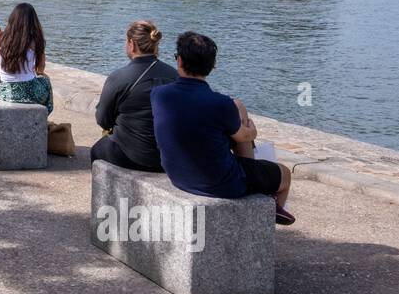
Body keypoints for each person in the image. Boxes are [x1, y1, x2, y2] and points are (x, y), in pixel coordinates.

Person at [151, 31, 295, 224]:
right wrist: (253, 130)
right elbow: (244, 137)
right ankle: (262, 223)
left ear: (179, 61)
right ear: (213, 65)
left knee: (236, 110)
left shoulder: (159, 95)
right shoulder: (220, 104)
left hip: (178, 175)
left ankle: (255, 183)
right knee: (284, 174)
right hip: (220, 183)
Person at [92, 20, 178, 172]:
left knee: (96, 151)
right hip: (166, 157)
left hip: (131, 155)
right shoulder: (173, 75)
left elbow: (103, 120)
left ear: (132, 44)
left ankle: (116, 197)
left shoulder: (119, 77)